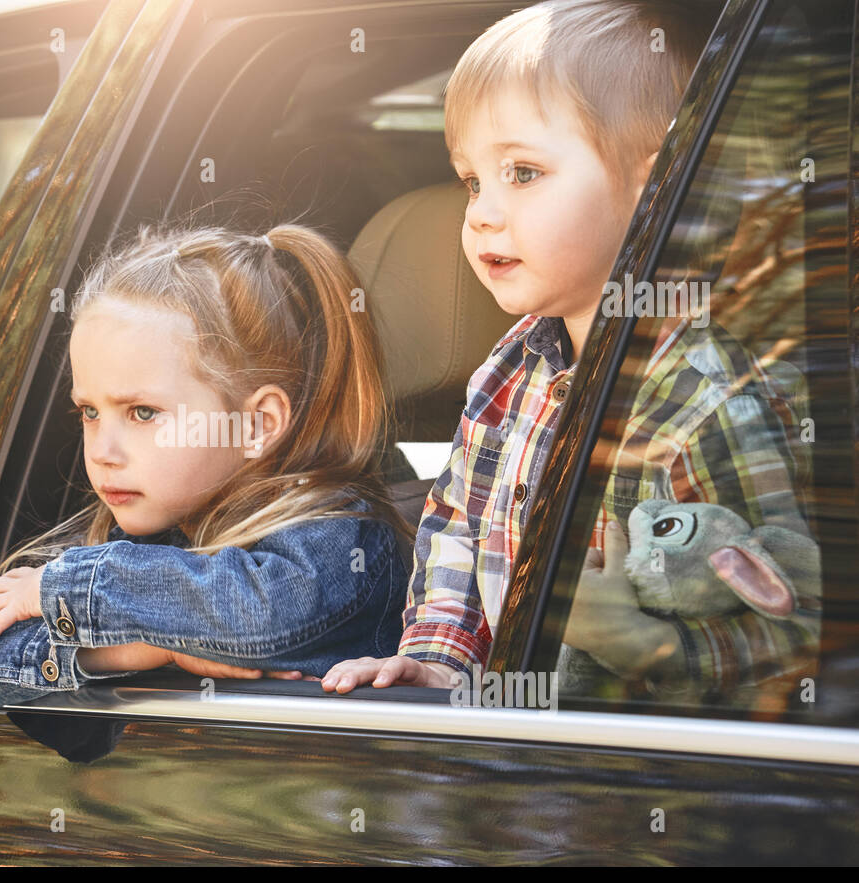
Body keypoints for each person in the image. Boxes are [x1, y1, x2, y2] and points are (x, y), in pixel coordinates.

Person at [322, 0, 817, 703]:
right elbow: (459, 535)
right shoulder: (505, 371)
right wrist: (439, 659)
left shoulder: (712, 398)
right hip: (516, 738)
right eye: (472, 180)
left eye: (522, 172)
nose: (482, 212)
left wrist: (649, 646)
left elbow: (797, 628)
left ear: (654, 189)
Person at [0, 222, 412, 708]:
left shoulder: (340, 533)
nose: (103, 450)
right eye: (89, 412)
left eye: (142, 413)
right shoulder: (140, 534)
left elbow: (260, 612)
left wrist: (72, 591)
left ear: (255, 425)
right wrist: (143, 648)